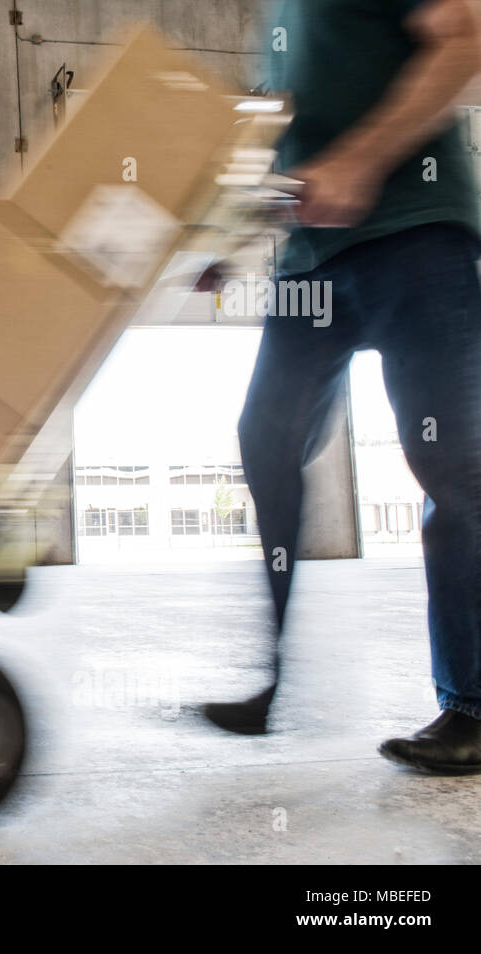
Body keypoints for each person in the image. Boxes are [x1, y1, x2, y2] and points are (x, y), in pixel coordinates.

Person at [203, 0, 481, 773]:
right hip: (310, 268)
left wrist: (362, 160)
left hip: (417, 240)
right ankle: (271, 681)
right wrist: (229, 239)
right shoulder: (280, 18)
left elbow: (462, 41)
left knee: (455, 474)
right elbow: (295, 148)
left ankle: (472, 709)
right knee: (266, 439)